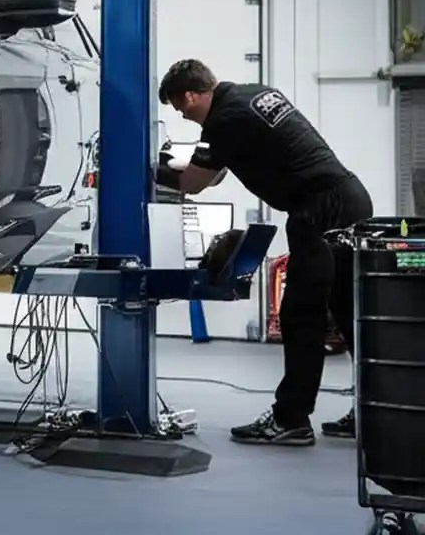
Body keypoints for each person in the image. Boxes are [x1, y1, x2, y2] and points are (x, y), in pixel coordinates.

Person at [155, 59, 373, 446]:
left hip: (319, 211)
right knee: (348, 313)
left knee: (300, 315)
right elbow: (219, 169)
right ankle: (375, 412)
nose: (184, 116)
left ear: (190, 95)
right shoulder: (252, 94)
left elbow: (194, 183)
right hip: (349, 199)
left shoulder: (223, 120)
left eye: (180, 107)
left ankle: (291, 420)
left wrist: (154, 170)